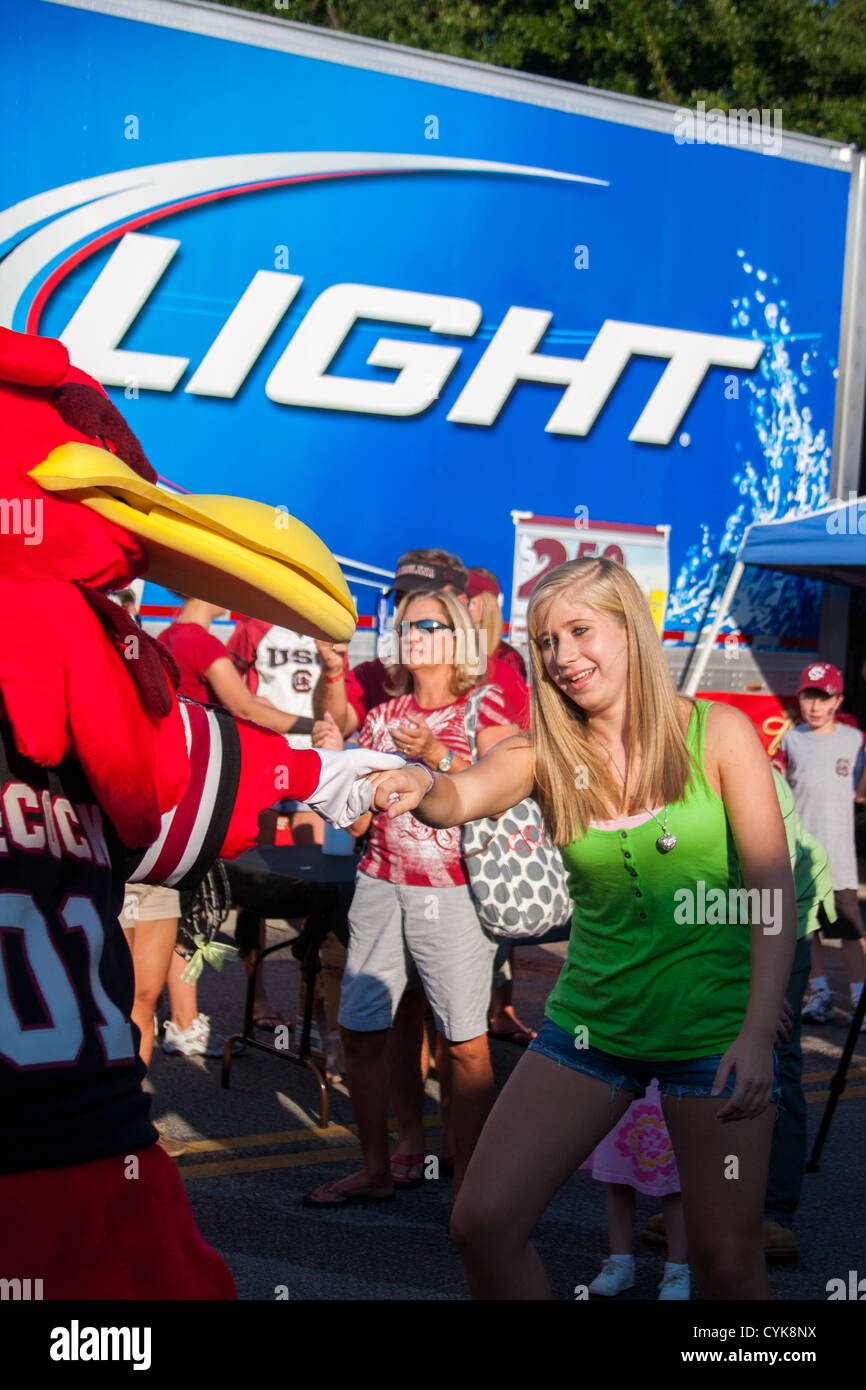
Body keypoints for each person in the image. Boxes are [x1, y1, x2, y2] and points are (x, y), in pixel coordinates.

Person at [367, 557, 796, 1300]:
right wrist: (419, 786)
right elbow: (462, 795)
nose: (562, 656)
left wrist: (758, 1029)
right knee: (482, 1225)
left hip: (713, 1035)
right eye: (546, 641)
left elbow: (772, 890)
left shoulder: (717, 733)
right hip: (592, 1027)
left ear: (631, 629)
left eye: (579, 631)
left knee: (728, 1264)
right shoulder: (543, 751)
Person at [304, 589, 519, 1207]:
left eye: (428, 624)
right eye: (405, 626)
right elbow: (357, 821)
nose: (414, 634)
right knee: (366, 1029)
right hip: (380, 883)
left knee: (464, 1041)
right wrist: (334, 765)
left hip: (455, 892)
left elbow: (510, 784)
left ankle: (472, 1187)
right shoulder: (382, 714)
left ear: (458, 637)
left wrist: (436, 756)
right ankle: (383, 1164)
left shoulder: (485, 706)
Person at [313, 548, 530, 736]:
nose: (410, 606)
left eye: (424, 596)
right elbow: (334, 727)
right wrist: (332, 670)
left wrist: (440, 758)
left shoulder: (500, 677)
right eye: (400, 598)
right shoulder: (377, 674)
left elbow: (525, 753)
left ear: (460, 604)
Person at [773, 662, 866, 1028]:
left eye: (824, 698)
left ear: (838, 701)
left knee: (849, 933)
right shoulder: (791, 740)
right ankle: (821, 994)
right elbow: (780, 782)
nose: (814, 706)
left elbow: (860, 792)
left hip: (839, 860)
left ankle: (859, 998)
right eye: (808, 697)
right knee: (806, 932)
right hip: (801, 858)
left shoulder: (853, 740)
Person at [582, 1079, 690, 1300]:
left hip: (672, 1083)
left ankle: (677, 1269)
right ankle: (620, 1260)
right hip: (629, 1081)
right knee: (619, 1178)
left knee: (674, 1186)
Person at [462, 566, 527, 680]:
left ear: (491, 604)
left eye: (470, 601)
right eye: (459, 599)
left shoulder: (508, 658)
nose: (463, 606)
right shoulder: (448, 649)